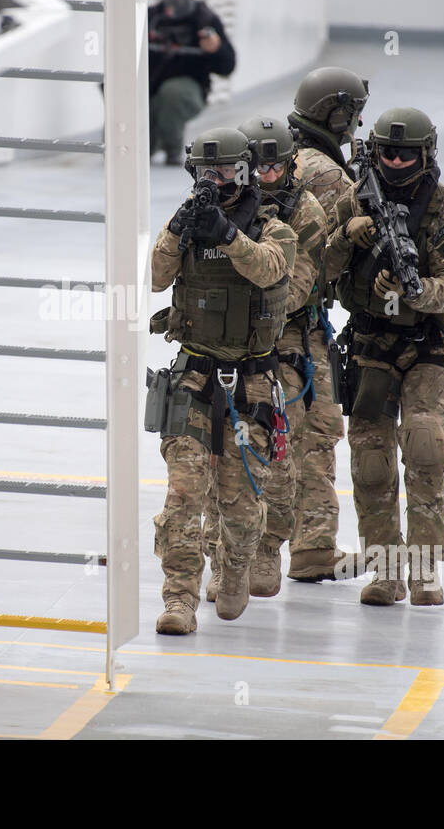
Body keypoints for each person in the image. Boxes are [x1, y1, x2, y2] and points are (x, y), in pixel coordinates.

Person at [322, 108, 444, 606]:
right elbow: (319, 269)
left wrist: (414, 291)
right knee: (371, 462)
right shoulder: (354, 200)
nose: (394, 161)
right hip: (371, 343)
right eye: (386, 153)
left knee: (427, 446)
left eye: (405, 154)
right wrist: (349, 238)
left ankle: (425, 569)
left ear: (425, 155)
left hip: (429, 345)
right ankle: (386, 570)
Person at [147, 127, 296, 633]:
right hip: (193, 378)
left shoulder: (274, 227)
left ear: (247, 171)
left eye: (228, 172)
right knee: (182, 498)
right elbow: (155, 275)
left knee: (238, 505)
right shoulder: (187, 225)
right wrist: (180, 227)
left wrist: (231, 235)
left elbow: (272, 270)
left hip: (250, 384)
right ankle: (178, 599)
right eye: (206, 173)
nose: (217, 181)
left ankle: (235, 569)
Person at [201, 115, 327, 600]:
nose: (271, 176)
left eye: (279, 166)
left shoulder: (305, 212)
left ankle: (267, 548)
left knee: (279, 449)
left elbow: (294, 288)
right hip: (227, 342)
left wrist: (246, 280)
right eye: (262, 167)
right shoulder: (221, 203)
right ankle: (221, 556)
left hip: (287, 339)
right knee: (217, 450)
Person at [282, 66, 372, 582]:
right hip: (300, 327)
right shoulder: (330, 174)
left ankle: (306, 548)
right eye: (353, 117)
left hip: (267, 324)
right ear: (337, 115)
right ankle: (310, 547)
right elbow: (343, 258)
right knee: (315, 432)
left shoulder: (281, 155)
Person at [147, 0, 237, 165]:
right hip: (150, 91)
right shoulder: (151, 18)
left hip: (187, 92)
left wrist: (215, 49)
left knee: (173, 93)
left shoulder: (205, 19)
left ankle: (172, 150)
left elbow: (228, 66)